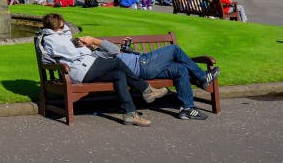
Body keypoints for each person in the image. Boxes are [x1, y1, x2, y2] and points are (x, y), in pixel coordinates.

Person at [36, 13, 166, 126]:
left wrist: (76, 43)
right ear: (53, 27)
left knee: (118, 74)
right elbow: (73, 54)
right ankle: (145, 89)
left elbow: (69, 40)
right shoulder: (51, 39)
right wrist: (82, 47)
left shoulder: (59, 36)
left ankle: (130, 113)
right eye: (60, 26)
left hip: (85, 67)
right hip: (79, 71)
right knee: (115, 61)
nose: (63, 28)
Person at [75, 35, 220, 120]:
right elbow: (113, 50)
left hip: (145, 65)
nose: (86, 41)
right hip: (144, 65)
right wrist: (93, 40)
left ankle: (187, 109)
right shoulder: (93, 55)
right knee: (174, 49)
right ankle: (202, 78)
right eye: (83, 42)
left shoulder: (98, 52)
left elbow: (118, 52)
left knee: (180, 69)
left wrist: (127, 50)